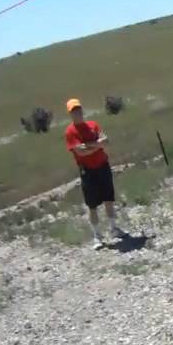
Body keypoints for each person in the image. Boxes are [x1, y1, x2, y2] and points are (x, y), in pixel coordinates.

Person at [64, 98, 126, 249]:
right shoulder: (70, 132)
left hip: (103, 166)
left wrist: (89, 145)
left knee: (109, 199)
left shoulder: (93, 125)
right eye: (74, 111)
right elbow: (80, 152)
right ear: (70, 114)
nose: (77, 113)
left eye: (78, 109)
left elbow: (106, 141)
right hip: (88, 171)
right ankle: (97, 236)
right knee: (92, 205)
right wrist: (98, 145)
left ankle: (114, 228)